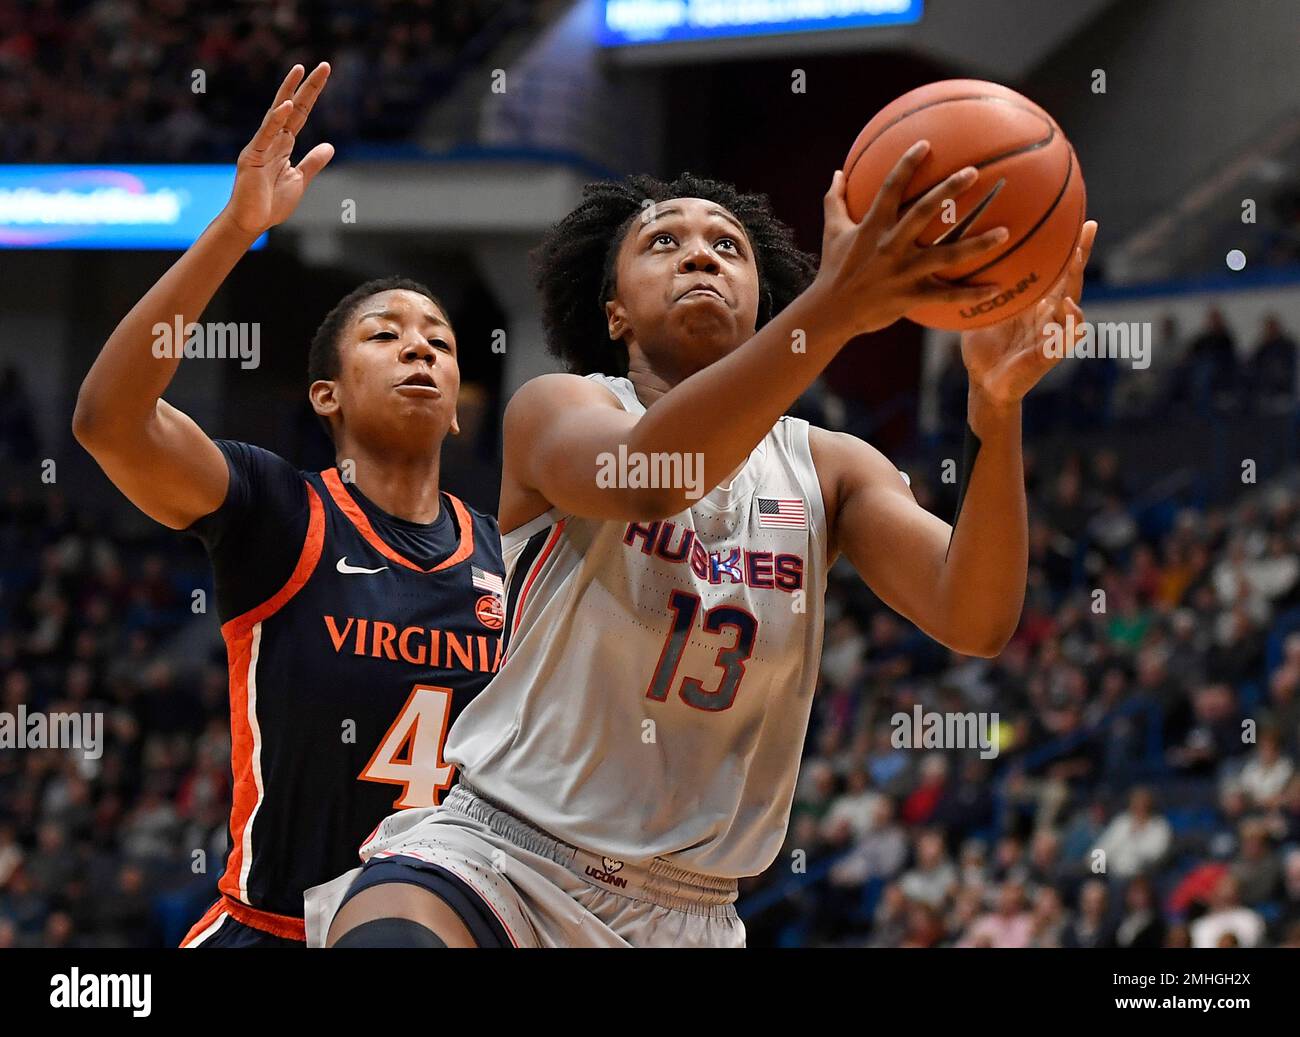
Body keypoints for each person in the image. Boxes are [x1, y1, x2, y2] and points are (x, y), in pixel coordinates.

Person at [307, 142, 1098, 947]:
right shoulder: (556, 407)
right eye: (663, 242)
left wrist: (996, 417)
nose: (699, 254)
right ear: (614, 311)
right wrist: (833, 309)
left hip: (690, 911)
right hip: (498, 858)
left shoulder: (829, 466)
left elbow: (976, 617)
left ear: (761, 302)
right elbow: (655, 475)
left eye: (728, 246)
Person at [73, 63, 504, 947]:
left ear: (460, 399)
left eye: (439, 342)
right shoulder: (280, 509)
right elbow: (108, 420)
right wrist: (236, 230)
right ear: (326, 394)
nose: (418, 350)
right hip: (270, 929)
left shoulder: (507, 557)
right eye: (385, 336)